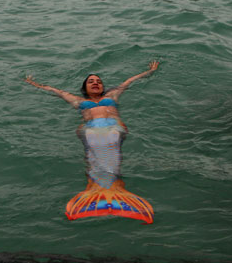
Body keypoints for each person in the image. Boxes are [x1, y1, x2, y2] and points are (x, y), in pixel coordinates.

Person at [25, 61, 160, 223]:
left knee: (111, 149)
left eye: (99, 81)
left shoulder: (112, 95)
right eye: (91, 81)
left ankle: (110, 192)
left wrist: (150, 71)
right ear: (85, 88)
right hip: (92, 129)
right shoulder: (78, 101)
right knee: (95, 154)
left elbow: (129, 81)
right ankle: (100, 191)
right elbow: (57, 91)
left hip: (113, 128)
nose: (96, 83)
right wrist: (34, 84)